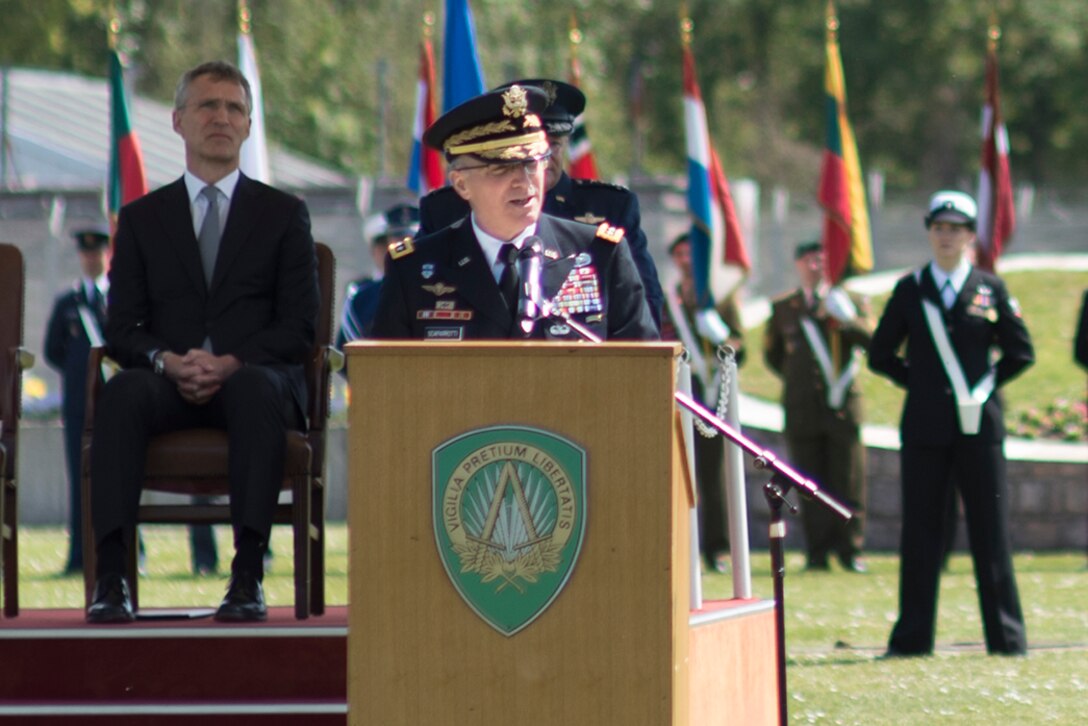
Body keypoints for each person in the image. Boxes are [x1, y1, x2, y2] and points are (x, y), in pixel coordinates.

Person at [85, 60, 319, 624]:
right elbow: (121, 329)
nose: (222, 117)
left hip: (253, 378)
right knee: (120, 395)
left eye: (235, 108)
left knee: (257, 390)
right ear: (178, 121)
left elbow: (300, 327)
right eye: (207, 106)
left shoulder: (284, 215)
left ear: (247, 125)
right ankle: (112, 579)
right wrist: (165, 361)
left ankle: (247, 578)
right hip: (170, 380)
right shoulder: (140, 219)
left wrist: (232, 362)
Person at [869, 190, 1033, 656]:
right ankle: (911, 641)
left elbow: (1021, 352)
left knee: (991, 534)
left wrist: (985, 387)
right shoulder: (910, 288)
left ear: (969, 237)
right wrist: (919, 385)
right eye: (939, 227)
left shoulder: (990, 288)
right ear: (929, 232)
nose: (947, 236)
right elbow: (881, 353)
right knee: (920, 534)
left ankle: (1007, 640)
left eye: (956, 229)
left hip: (981, 430)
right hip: (924, 430)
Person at [371, 84, 656, 342]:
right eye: (502, 169)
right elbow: (386, 382)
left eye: (533, 163)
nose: (524, 180)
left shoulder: (601, 255)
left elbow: (643, 373)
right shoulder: (412, 269)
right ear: (461, 184)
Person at [763, 241, 873, 573]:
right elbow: (775, 356)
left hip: (842, 407)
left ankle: (850, 549)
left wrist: (848, 319)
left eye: (823, 258)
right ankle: (817, 552)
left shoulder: (851, 301)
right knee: (809, 482)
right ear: (798, 264)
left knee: (848, 478)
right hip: (803, 409)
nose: (817, 265)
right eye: (810, 259)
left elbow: (872, 342)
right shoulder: (785, 307)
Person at [660, 233, 744, 573]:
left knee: (712, 479)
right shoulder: (669, 300)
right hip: (676, 398)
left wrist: (721, 337)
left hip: (711, 400)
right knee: (677, 476)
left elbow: (743, 349)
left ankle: (717, 549)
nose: (685, 259)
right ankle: (682, 548)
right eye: (678, 254)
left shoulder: (720, 301)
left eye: (689, 253)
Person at [43, 228, 111, 575]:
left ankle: (127, 551)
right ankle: (79, 555)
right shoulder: (67, 303)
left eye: (96, 252)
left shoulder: (117, 300)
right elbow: (52, 350)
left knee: (117, 474)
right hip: (77, 404)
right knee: (78, 475)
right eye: (86, 254)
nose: (91, 259)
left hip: (113, 402)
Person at [336, 203, 419, 348]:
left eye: (413, 239)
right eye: (397, 240)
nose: (406, 246)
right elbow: (349, 355)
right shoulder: (364, 297)